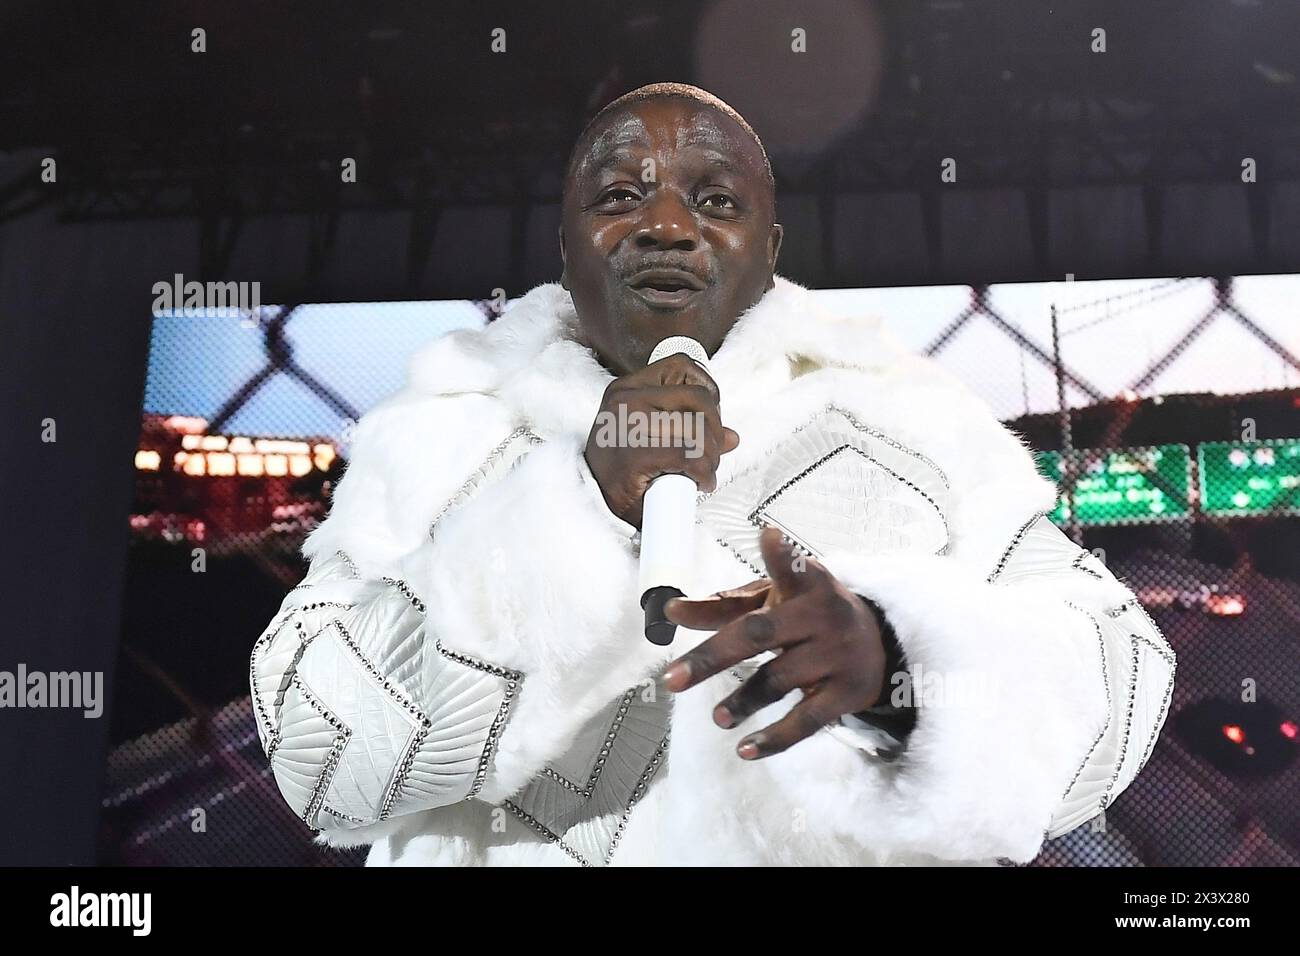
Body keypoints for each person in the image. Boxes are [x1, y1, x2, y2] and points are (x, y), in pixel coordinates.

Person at [250, 82, 1175, 866]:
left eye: (717, 201)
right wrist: (577, 510)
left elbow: (1122, 681)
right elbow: (314, 760)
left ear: (769, 252)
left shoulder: (912, 421)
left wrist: (900, 668)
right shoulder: (441, 433)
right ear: (565, 243)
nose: (664, 225)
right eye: (618, 197)